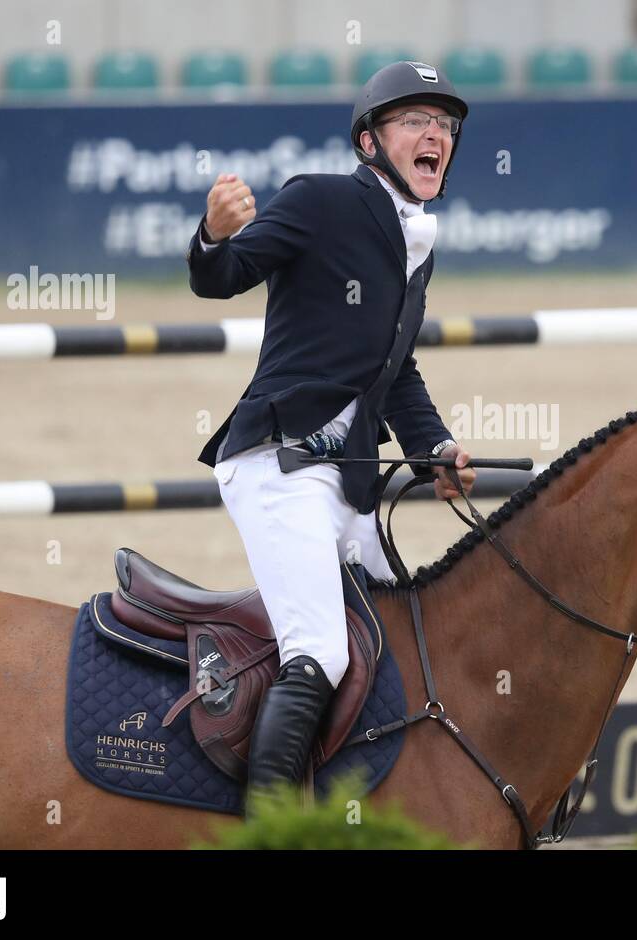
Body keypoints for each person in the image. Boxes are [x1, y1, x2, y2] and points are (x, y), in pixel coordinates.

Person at [186, 61, 477, 805]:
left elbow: (396, 372)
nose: (434, 135)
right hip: (277, 464)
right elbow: (224, 276)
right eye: (416, 120)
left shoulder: (419, 242)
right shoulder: (320, 200)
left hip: (348, 481)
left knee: (409, 642)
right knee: (318, 648)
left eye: (443, 125)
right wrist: (213, 237)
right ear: (369, 141)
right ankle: (275, 828)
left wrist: (435, 448)